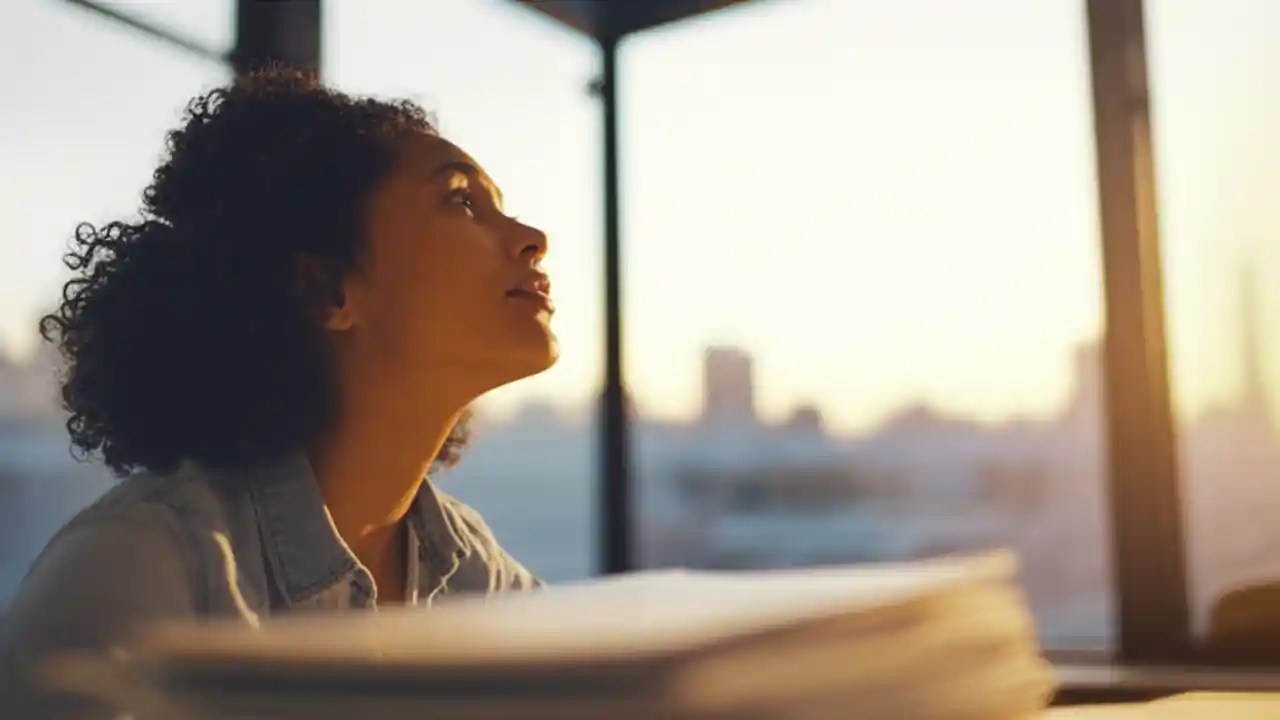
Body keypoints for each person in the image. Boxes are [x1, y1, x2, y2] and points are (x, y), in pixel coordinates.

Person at [0, 66, 555, 716]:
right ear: (327, 290)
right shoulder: (136, 576)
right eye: (461, 201)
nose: (533, 239)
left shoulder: (472, 569)